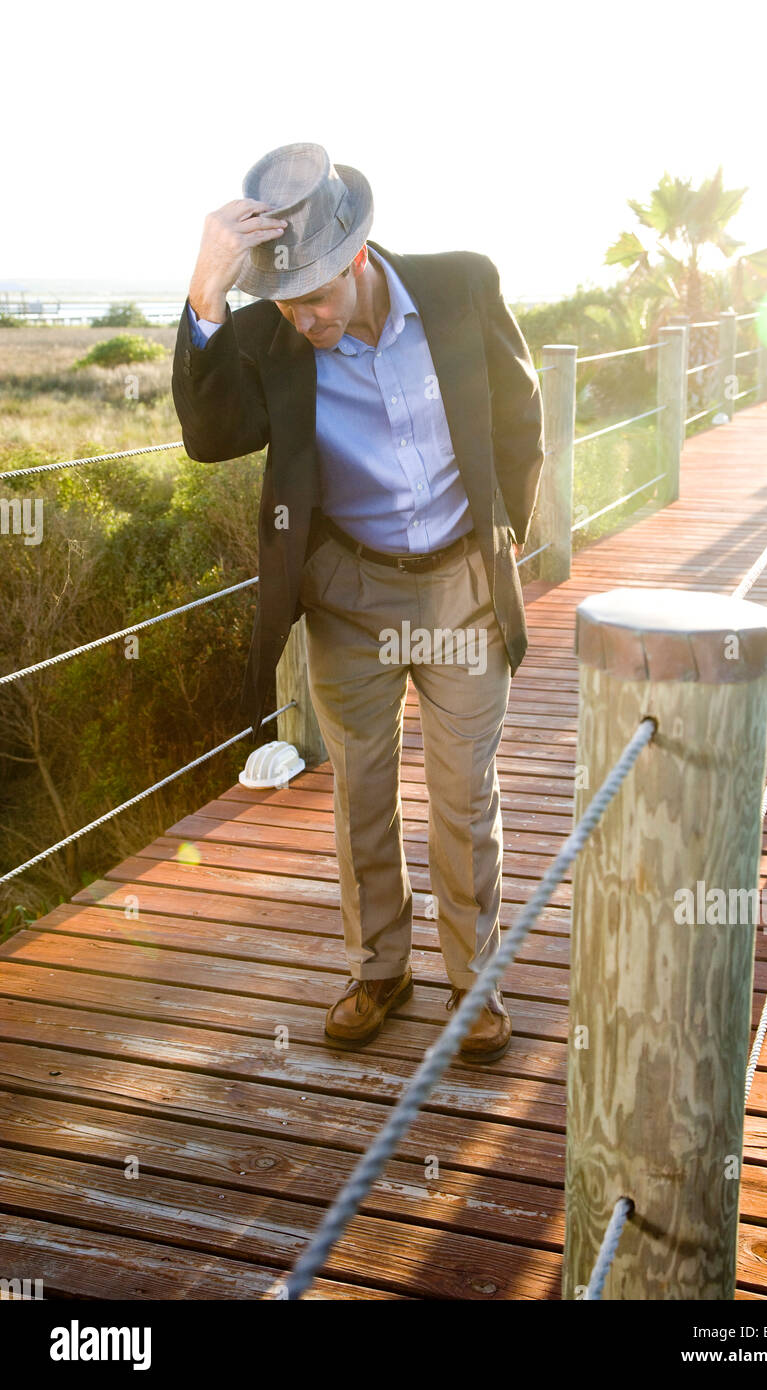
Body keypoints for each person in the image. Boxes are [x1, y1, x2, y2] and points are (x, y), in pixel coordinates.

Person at [173, 142, 544, 1063]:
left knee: (463, 794)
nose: (303, 318)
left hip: (461, 582)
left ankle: (473, 985)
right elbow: (208, 435)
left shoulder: (461, 287)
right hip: (349, 592)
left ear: (360, 259)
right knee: (362, 793)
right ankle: (381, 968)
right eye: (285, 300)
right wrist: (207, 291)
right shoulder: (270, 338)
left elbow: (520, 412)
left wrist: (501, 537)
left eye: (317, 296)